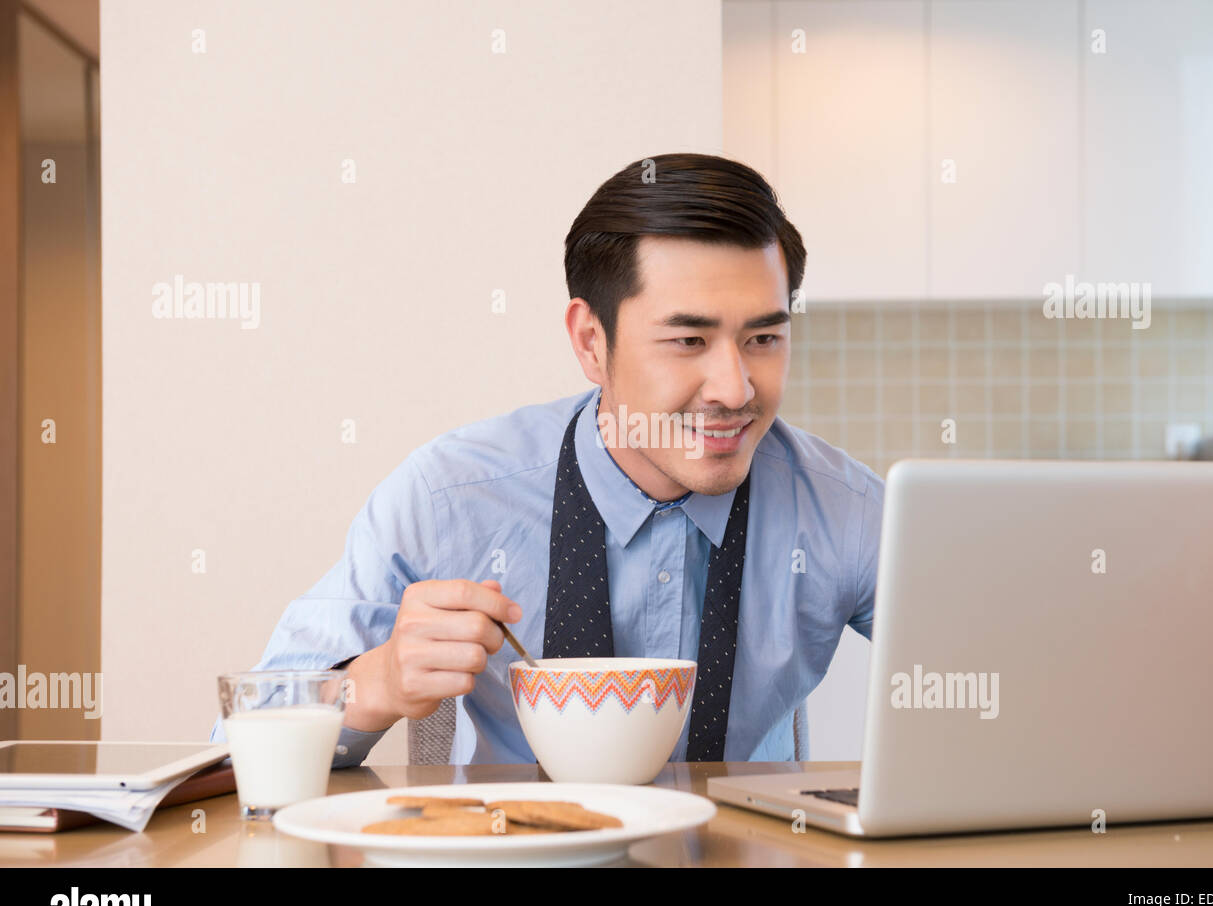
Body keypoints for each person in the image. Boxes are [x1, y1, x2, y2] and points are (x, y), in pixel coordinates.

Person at [209, 153, 883, 766]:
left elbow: (980, 690)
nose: (736, 389)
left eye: (764, 337)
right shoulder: (451, 497)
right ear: (591, 341)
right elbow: (243, 744)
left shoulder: (846, 511)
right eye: (688, 340)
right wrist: (377, 680)